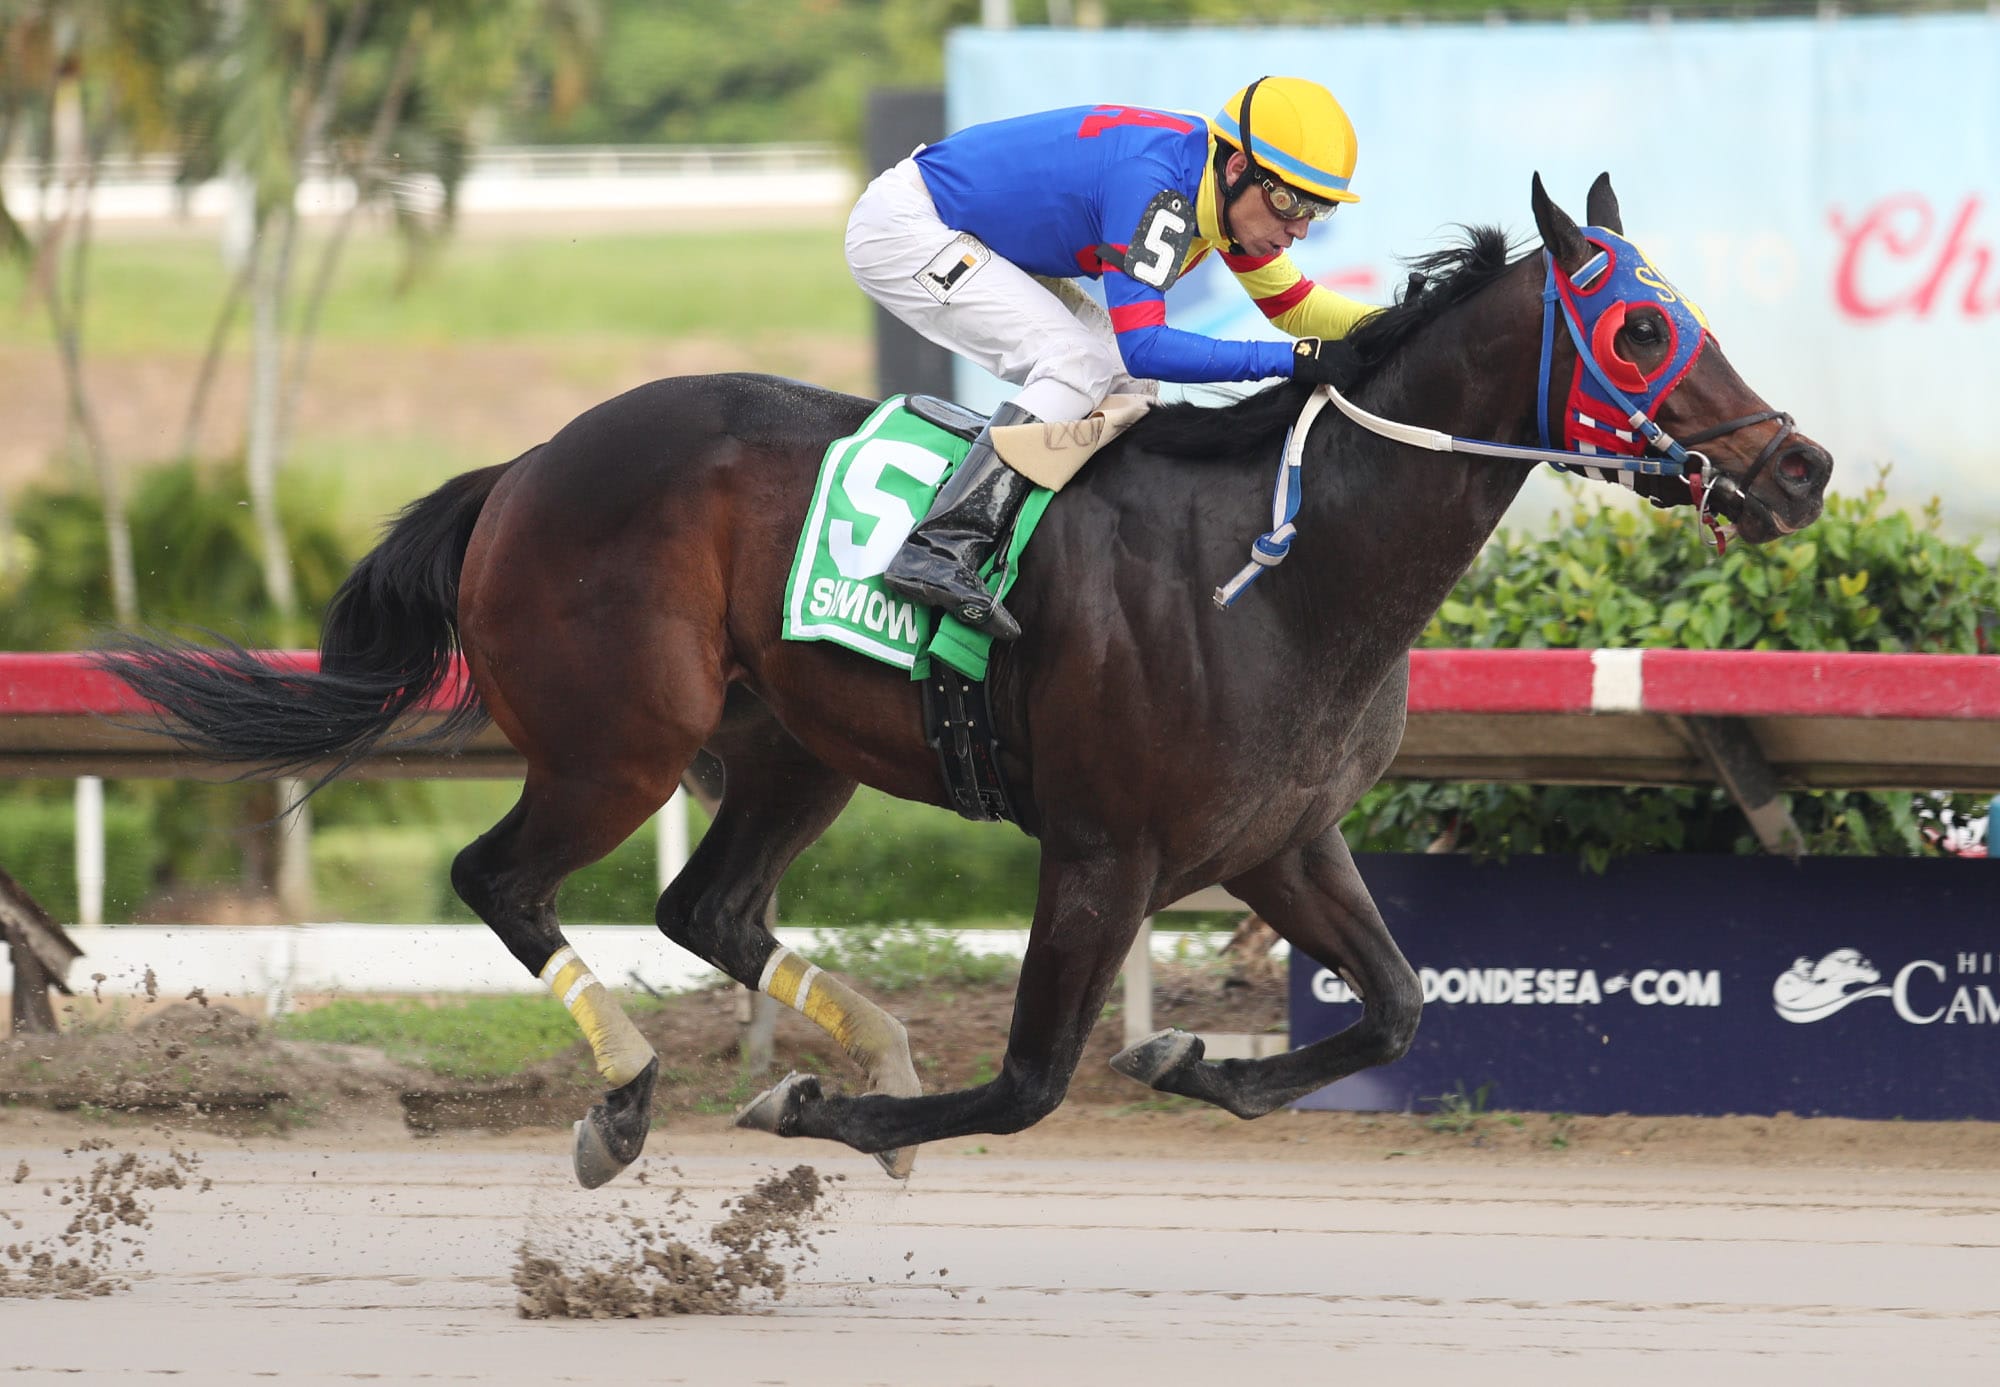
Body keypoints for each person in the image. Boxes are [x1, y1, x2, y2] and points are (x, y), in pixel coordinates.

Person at [845, 76, 1376, 641]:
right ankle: (940, 547)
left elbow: (1295, 307)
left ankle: (1078, 556)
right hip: (908, 228)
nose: (1296, 228)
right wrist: (1291, 361)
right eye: (1288, 201)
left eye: (1315, 210)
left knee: (1125, 379)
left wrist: (1405, 322)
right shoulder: (1159, 189)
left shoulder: (1224, 194)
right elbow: (1147, 341)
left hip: (967, 228)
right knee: (1080, 363)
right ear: (1238, 167)